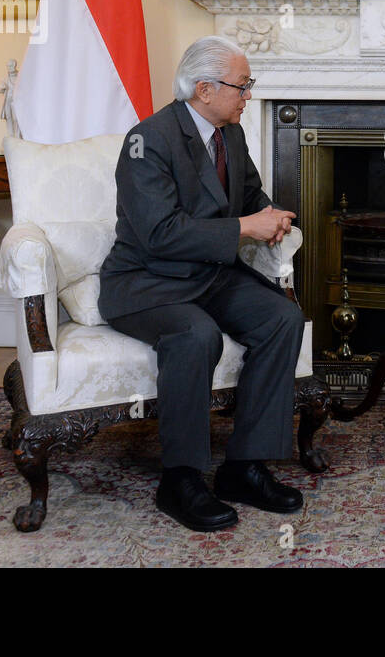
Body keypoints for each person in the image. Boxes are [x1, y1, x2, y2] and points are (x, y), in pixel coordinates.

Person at [99, 35, 303, 532]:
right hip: (147, 281)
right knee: (196, 334)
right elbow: (159, 233)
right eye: (242, 86)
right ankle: (181, 479)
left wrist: (271, 216)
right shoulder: (147, 140)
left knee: (283, 317)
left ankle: (244, 467)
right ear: (204, 88)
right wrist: (244, 227)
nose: (248, 95)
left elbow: (250, 196)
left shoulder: (230, 134)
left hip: (208, 275)